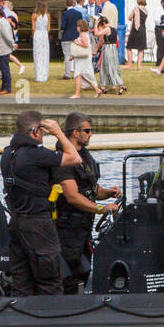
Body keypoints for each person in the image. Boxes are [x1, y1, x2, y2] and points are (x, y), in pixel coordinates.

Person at [1, 110, 82, 295]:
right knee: (50, 280)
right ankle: (51, 319)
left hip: (16, 222)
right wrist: (58, 132)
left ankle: (22, 319)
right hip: (38, 224)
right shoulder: (35, 153)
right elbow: (75, 157)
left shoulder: (8, 154)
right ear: (36, 131)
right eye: (44, 132)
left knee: (22, 281)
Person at [52, 112, 121, 293]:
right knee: (69, 273)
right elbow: (72, 196)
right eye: (87, 131)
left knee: (83, 270)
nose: (91, 134)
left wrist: (109, 193)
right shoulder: (63, 160)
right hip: (67, 228)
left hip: (84, 227)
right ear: (75, 133)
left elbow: (92, 189)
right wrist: (101, 209)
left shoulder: (84, 156)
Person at [0, 6, 16, 95]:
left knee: (5, 69)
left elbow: (7, 36)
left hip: (3, 49)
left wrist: (12, 44)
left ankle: (7, 88)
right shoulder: (2, 22)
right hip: (1, 49)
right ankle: (4, 87)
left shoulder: (2, 23)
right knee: (3, 69)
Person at [59, 0, 81, 79]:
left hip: (67, 37)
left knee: (67, 56)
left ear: (66, 4)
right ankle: (77, 74)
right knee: (76, 56)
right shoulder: (78, 14)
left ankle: (67, 74)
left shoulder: (65, 13)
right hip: (76, 37)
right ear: (73, 4)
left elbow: (63, 26)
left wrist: (61, 28)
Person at [29, 1, 50, 82]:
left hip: (37, 35)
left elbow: (33, 28)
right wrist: (44, 33)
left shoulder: (34, 15)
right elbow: (48, 29)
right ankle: (44, 75)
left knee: (37, 55)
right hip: (44, 35)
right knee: (45, 55)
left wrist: (34, 35)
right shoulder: (47, 15)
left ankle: (38, 76)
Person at [126, 0, 148, 69]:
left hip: (135, 29)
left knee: (129, 47)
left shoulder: (136, 8)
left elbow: (129, 18)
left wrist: (133, 14)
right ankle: (139, 66)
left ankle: (129, 65)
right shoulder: (146, 10)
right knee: (141, 49)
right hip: (142, 29)